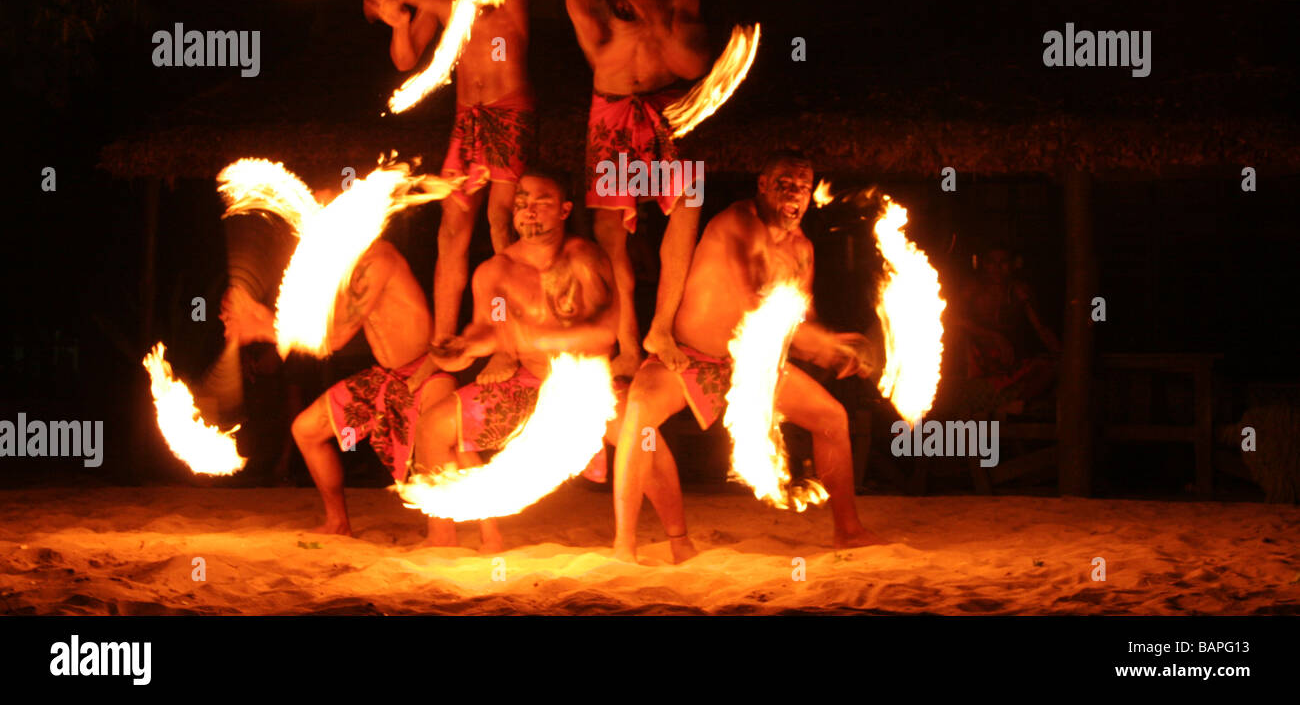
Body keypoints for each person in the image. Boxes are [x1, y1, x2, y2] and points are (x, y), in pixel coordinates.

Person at [612, 152, 884, 562]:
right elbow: (752, 302)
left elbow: (797, 321)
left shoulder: (803, 250)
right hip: (690, 357)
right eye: (785, 184)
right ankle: (626, 545)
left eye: (803, 187)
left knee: (831, 417)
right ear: (761, 185)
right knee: (639, 411)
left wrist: (833, 348)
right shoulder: (737, 222)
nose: (795, 194)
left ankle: (848, 530)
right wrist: (826, 343)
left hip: (753, 366)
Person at [415, 170, 621, 550]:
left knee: (642, 438)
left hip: (587, 387)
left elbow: (604, 334)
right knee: (434, 426)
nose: (529, 211)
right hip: (524, 383)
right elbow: (489, 326)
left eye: (541, 202)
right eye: (522, 204)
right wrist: (463, 348)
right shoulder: (496, 273)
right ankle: (446, 538)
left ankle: (661, 540)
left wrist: (538, 337)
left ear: (564, 210)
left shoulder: (585, 259)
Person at [367, 0, 533, 361]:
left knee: (502, 224)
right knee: (450, 232)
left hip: (508, 111)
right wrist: (397, 20)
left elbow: (470, 10)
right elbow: (406, 58)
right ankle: (442, 343)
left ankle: (510, 344)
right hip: (468, 120)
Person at [564, 0, 711, 380]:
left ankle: (661, 329)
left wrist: (646, 25)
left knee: (689, 202)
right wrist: (652, 32)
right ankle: (628, 342)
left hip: (668, 108)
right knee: (609, 231)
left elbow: (693, 64)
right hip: (612, 112)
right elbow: (601, 58)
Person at [222, 233, 452, 537]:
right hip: (386, 377)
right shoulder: (348, 269)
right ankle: (337, 522)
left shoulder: (377, 260)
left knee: (435, 455)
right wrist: (259, 315)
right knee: (306, 430)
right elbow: (319, 324)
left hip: (427, 374)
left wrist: (263, 326)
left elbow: (336, 337)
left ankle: (446, 538)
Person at [952, 245, 1059, 418]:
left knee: (1049, 368)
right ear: (984, 265)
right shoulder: (973, 290)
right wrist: (992, 336)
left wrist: (1060, 354)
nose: (997, 269)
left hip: (1011, 364)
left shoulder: (1019, 291)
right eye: (992, 263)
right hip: (979, 361)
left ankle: (1015, 405)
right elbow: (952, 318)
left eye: (1003, 263)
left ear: (1014, 264)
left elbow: (1041, 328)